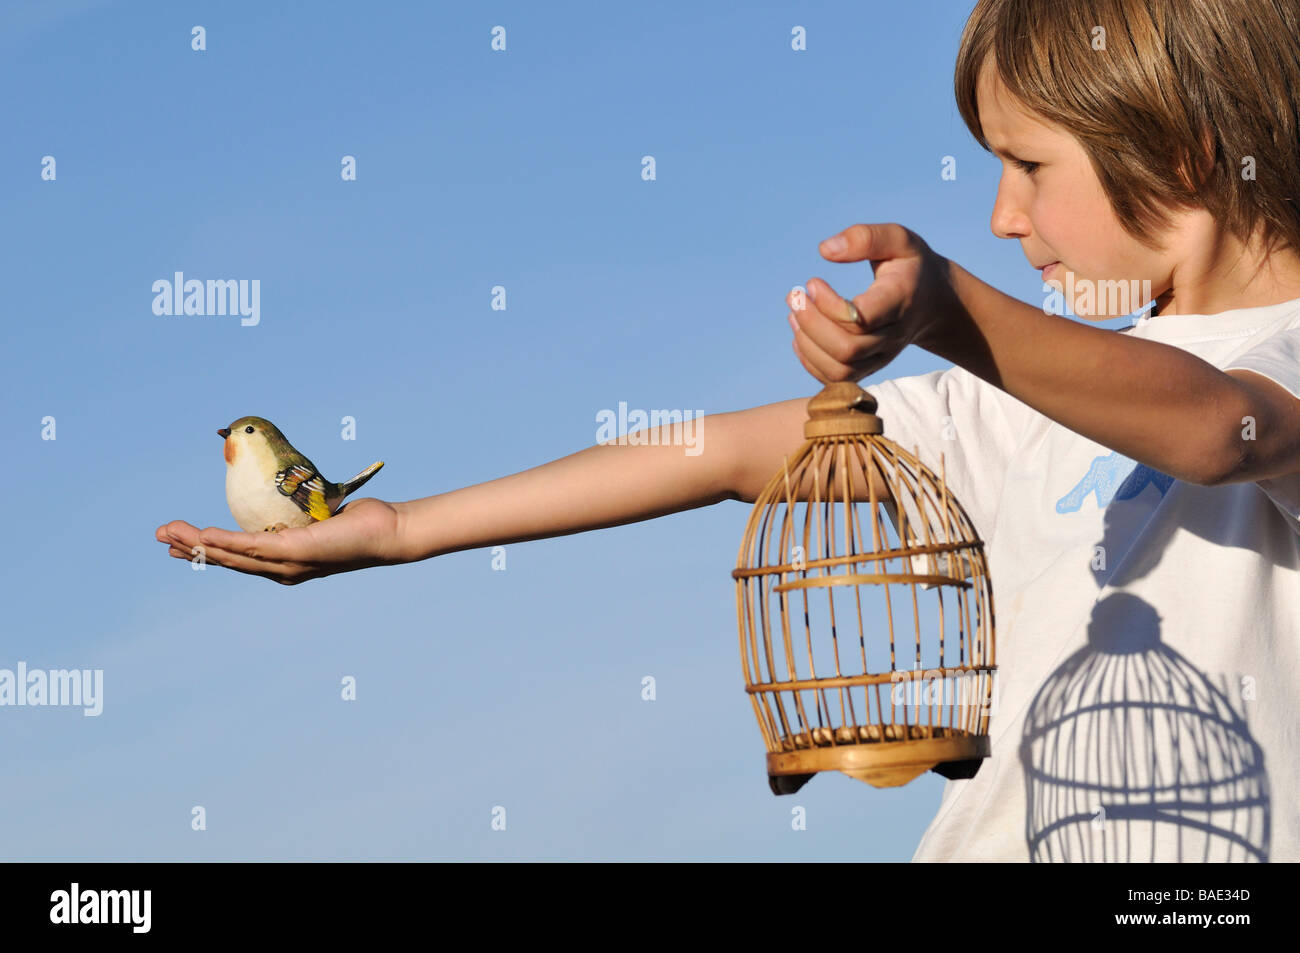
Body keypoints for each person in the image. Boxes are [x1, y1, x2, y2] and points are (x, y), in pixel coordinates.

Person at [156, 0, 1300, 862]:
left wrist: (956, 314)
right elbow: (715, 451)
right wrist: (404, 527)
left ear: (1185, 144)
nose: (1003, 216)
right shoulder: (1011, 400)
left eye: (1028, 165)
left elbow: (1222, 429)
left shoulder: (1262, 356)